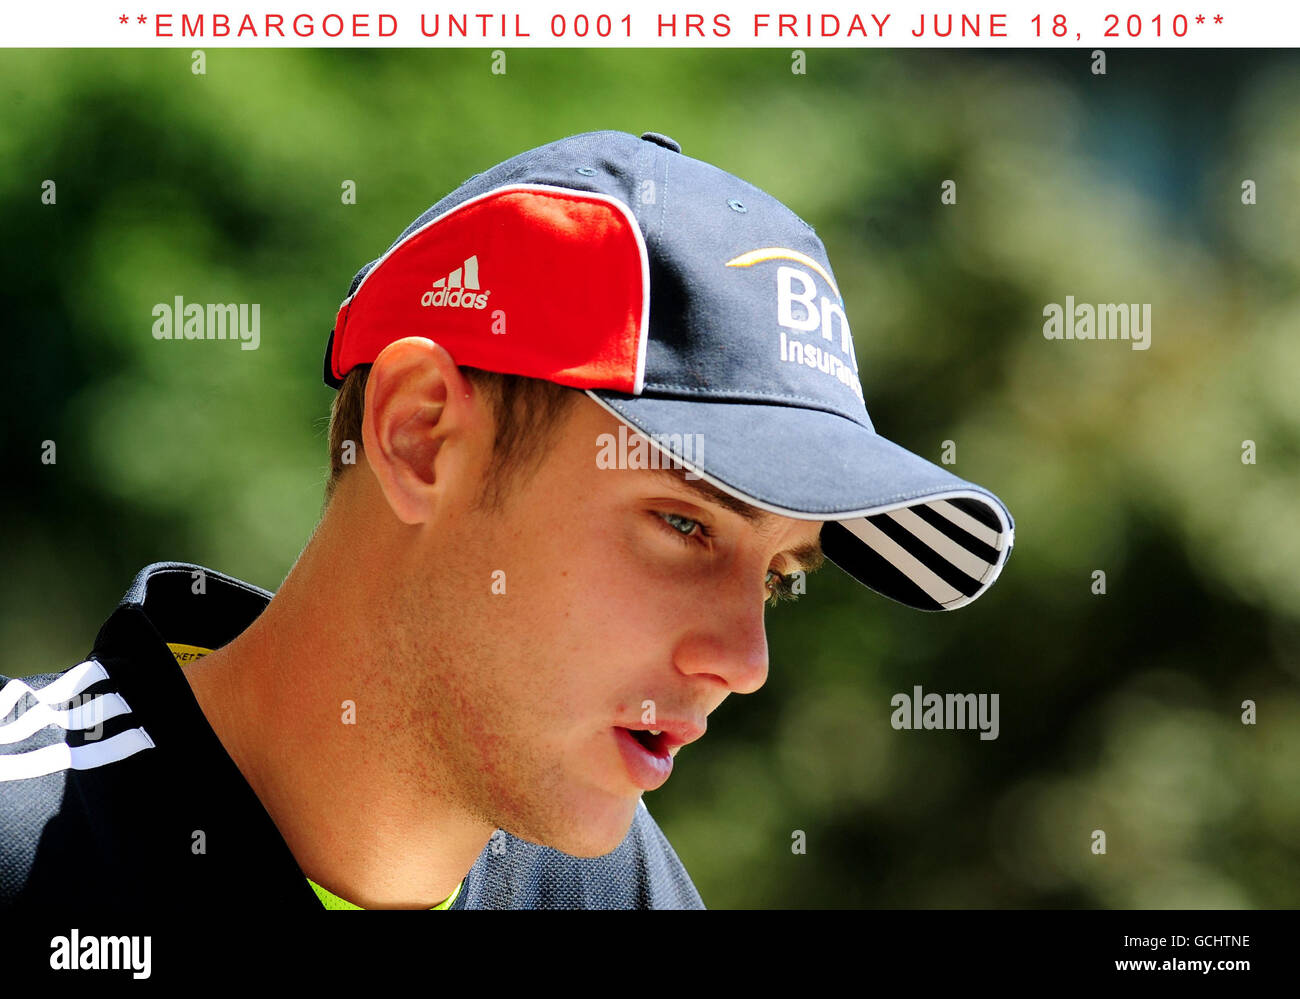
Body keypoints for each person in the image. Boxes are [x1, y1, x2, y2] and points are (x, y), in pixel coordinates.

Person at [0, 129, 1014, 909]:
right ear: (418, 438)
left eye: (780, 576)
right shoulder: (26, 836)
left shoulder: (621, 894)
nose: (745, 661)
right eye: (686, 525)